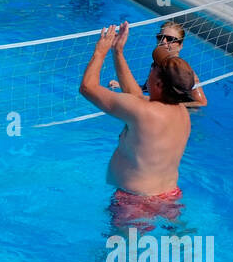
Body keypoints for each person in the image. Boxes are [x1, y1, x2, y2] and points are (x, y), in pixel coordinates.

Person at [79, 22, 197, 226]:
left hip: (134, 202)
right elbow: (135, 96)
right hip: (169, 197)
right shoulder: (180, 113)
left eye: (153, 67)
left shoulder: (143, 111)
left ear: (159, 85)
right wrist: (118, 53)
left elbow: (87, 87)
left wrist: (100, 51)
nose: (150, 68)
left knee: (117, 256)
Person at [152, 21, 207, 107]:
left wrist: (167, 105)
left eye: (170, 39)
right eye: (160, 37)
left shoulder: (181, 71)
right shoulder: (158, 64)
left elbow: (202, 103)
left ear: (180, 46)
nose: (163, 41)